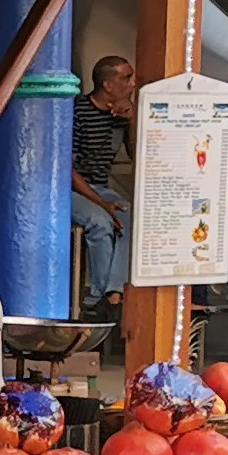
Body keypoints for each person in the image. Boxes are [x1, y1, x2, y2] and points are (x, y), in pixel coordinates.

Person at [69, 55, 135, 306]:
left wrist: (133, 121)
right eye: (125, 78)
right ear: (107, 85)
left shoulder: (121, 114)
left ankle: (113, 290)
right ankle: (100, 296)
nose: (131, 84)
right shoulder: (80, 111)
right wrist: (101, 202)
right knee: (100, 222)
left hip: (101, 188)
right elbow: (68, 170)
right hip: (74, 189)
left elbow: (137, 155)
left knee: (130, 218)